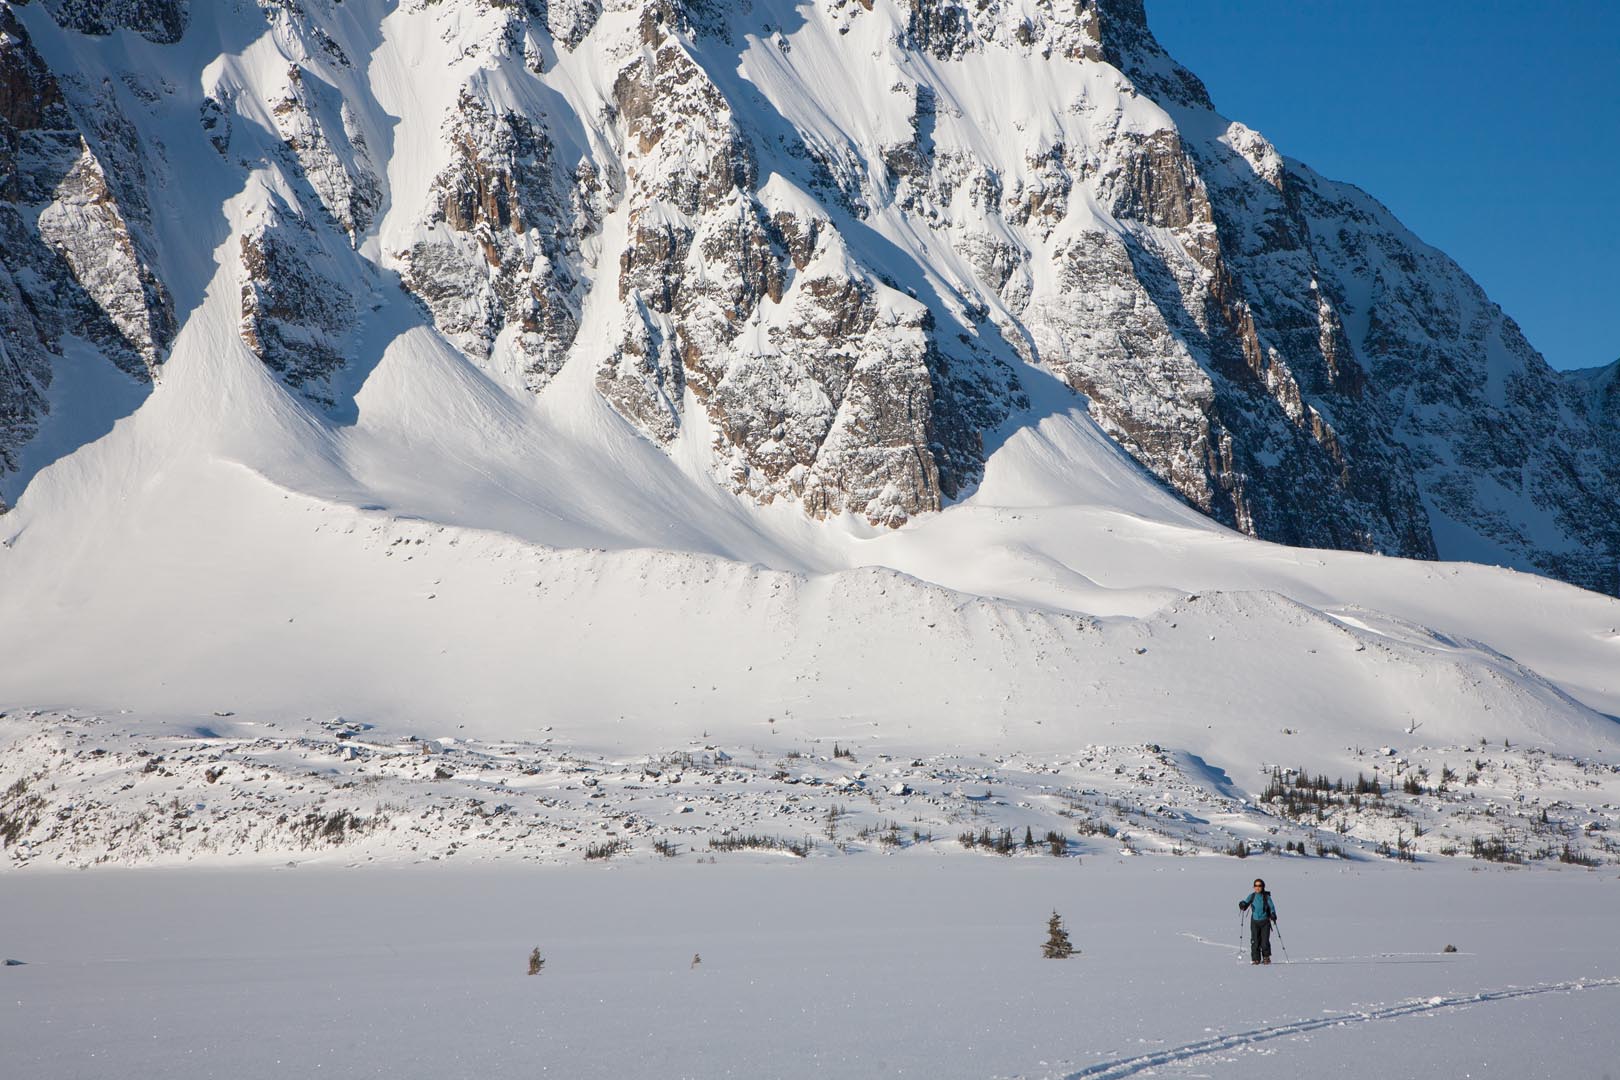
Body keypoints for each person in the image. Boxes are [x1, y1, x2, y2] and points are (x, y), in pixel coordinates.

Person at [1239, 877, 1277, 965]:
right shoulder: (1252, 896)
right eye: (1256, 885)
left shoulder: (1266, 897)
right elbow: (1245, 903)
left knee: (1264, 941)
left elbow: (1272, 907)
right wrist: (1242, 904)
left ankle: (1266, 957)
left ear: (1263, 887)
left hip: (1265, 922)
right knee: (1255, 941)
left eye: (1259, 885)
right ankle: (1256, 959)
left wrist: (1273, 914)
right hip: (1255, 922)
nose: (1257, 887)